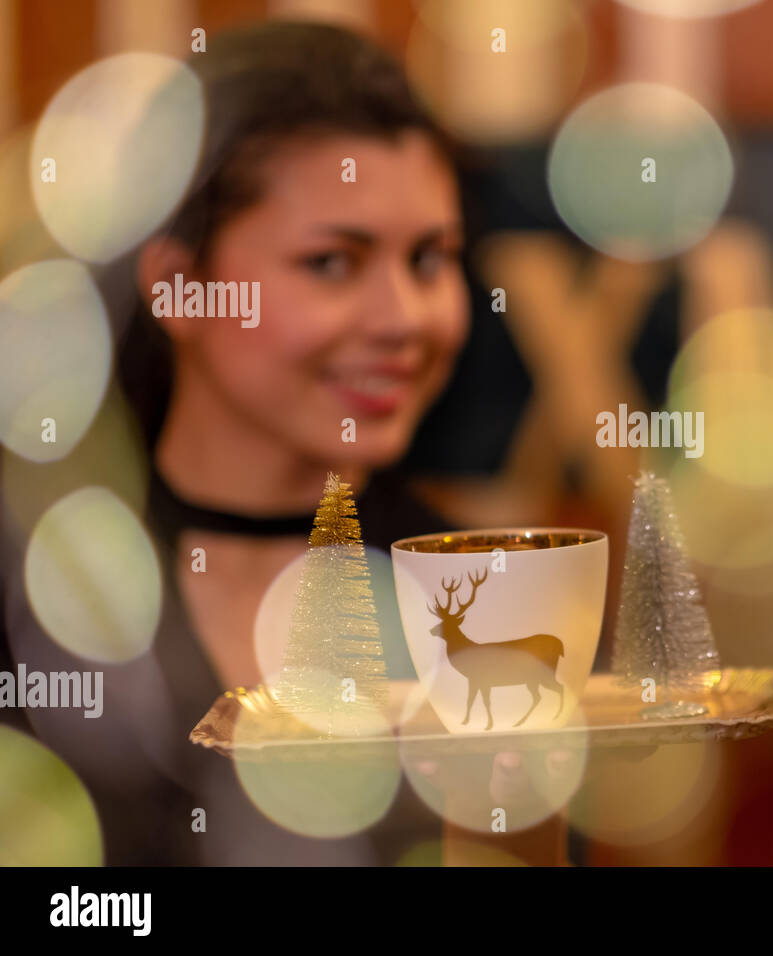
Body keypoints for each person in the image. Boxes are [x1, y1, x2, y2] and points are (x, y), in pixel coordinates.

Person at [0, 20, 569, 866]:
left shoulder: (464, 591)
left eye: (429, 259)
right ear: (180, 287)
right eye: (334, 263)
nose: (405, 319)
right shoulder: (40, 598)